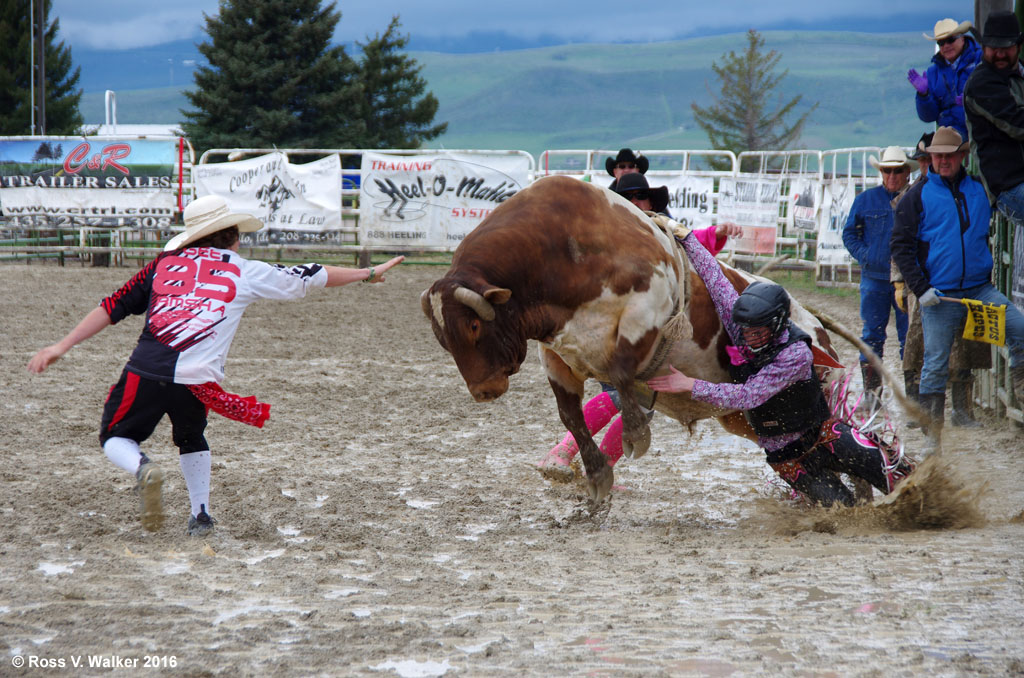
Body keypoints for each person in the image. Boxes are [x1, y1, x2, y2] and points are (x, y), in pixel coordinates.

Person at [27, 195, 405, 535]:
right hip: (198, 379)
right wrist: (367, 273)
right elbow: (312, 275)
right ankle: (201, 515)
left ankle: (143, 467)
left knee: (115, 437)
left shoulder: (162, 264)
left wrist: (63, 344)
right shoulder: (244, 270)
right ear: (231, 236)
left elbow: (114, 305)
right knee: (191, 437)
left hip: (147, 369)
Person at [645, 228, 915, 507]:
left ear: (776, 325)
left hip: (826, 438)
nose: (747, 336)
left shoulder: (795, 354)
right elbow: (715, 279)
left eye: (756, 331)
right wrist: (689, 239)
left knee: (907, 482)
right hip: (788, 458)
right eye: (746, 329)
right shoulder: (744, 328)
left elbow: (747, 396)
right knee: (843, 511)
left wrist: (690, 385)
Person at [534, 172, 743, 482]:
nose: (634, 202)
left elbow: (692, 243)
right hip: (606, 336)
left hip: (638, 340)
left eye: (639, 197)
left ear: (649, 202)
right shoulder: (600, 241)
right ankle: (563, 453)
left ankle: (597, 466)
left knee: (642, 404)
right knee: (627, 395)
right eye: (628, 197)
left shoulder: (660, 235)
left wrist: (718, 232)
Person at [891, 127, 1024, 452]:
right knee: (934, 362)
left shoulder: (979, 189)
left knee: (1019, 329)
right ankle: (932, 439)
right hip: (939, 294)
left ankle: (1020, 386)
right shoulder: (917, 196)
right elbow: (900, 245)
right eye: (938, 155)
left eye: (949, 155)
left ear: (962, 156)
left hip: (979, 289)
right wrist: (920, 289)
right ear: (930, 158)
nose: (943, 160)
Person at [894, 131, 990, 429]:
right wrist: (900, 281)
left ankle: (961, 409)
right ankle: (918, 410)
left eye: (929, 159)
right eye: (925, 159)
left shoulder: (966, 192)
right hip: (922, 283)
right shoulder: (910, 198)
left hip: (958, 281)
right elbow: (900, 245)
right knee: (917, 344)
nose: (929, 164)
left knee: (963, 344)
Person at [841, 146, 911, 405]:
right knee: (872, 334)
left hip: (908, 280)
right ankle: (872, 395)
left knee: (909, 337)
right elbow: (850, 234)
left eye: (897, 170)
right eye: (887, 170)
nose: (892, 175)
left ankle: (913, 396)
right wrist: (867, 255)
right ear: (881, 172)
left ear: (906, 172)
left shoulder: (916, 198)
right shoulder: (866, 200)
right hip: (875, 277)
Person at [964, 11, 1024, 223]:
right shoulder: (982, 83)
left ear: (1017, 46)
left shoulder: (1018, 74)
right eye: (993, 48)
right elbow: (1018, 125)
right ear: (983, 48)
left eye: (1005, 47)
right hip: (1010, 187)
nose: (999, 54)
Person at [907, 18, 982, 142]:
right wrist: (924, 95)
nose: (946, 46)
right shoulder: (933, 72)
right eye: (941, 43)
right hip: (949, 137)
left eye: (951, 40)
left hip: (980, 131)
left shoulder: (980, 59)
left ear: (962, 38)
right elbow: (928, 117)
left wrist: (971, 101)